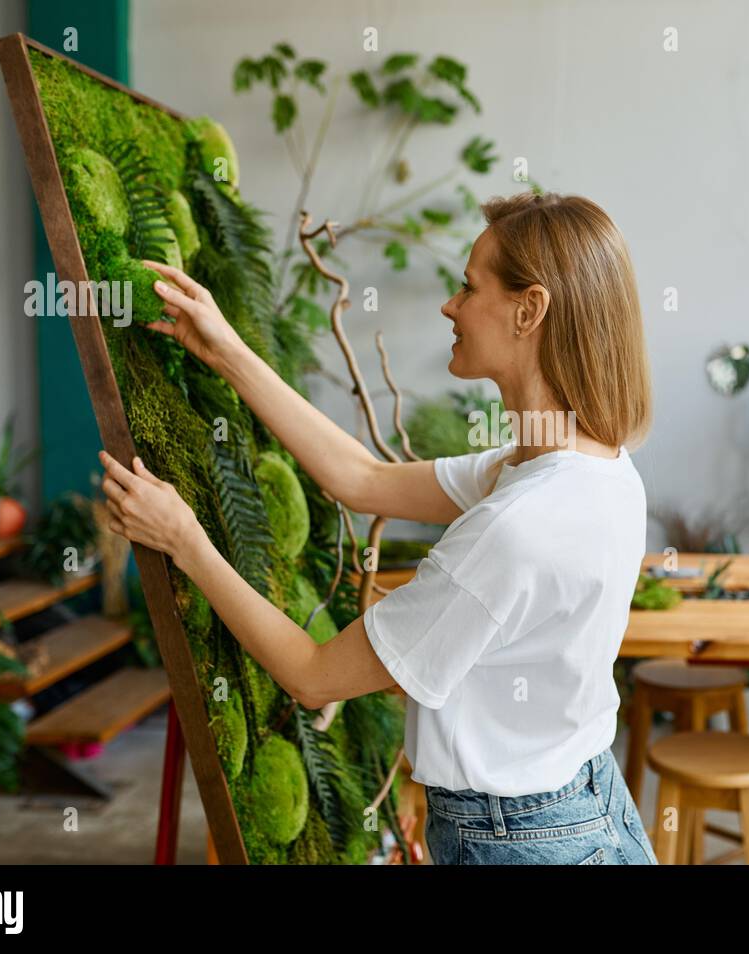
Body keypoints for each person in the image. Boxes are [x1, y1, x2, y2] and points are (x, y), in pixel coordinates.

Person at [99, 191, 657, 864]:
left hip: (521, 841)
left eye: (467, 286)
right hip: (588, 807)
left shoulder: (516, 526)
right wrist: (227, 352)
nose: (450, 307)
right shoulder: (588, 462)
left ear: (528, 309)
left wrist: (184, 539)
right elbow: (361, 480)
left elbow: (312, 675)